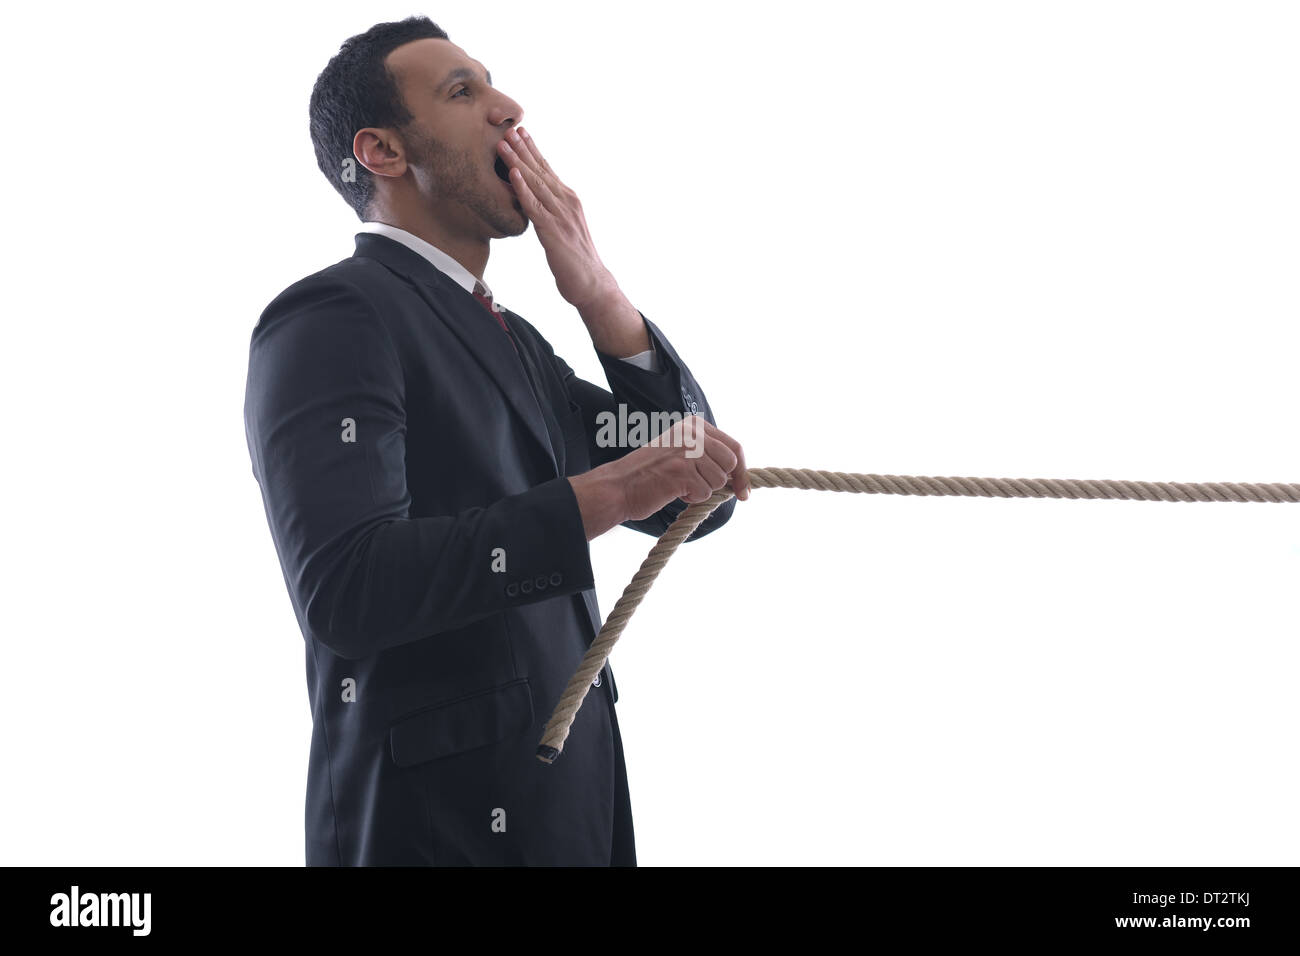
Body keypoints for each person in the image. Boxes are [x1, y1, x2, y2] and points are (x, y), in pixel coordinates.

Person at [242, 16, 749, 866]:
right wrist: (606, 494)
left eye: (491, 84)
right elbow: (349, 588)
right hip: (434, 834)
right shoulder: (332, 315)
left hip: (571, 821)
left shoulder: (516, 343)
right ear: (382, 152)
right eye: (462, 92)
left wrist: (604, 304)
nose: (509, 109)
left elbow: (695, 505)